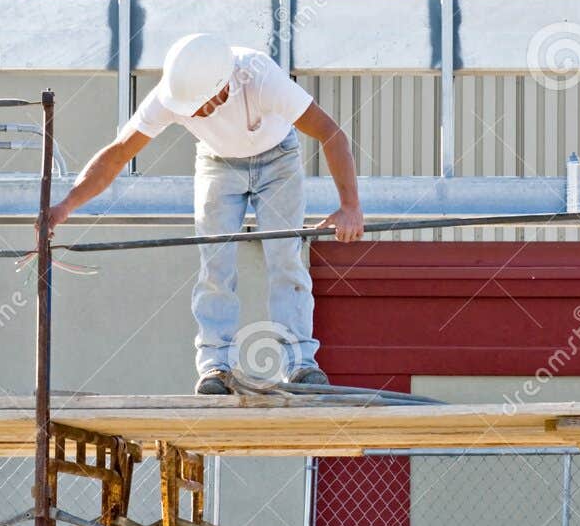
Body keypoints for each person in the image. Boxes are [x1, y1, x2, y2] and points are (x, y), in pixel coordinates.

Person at [48, 32, 363, 393]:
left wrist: (350, 206)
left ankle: (300, 363)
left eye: (199, 106)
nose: (192, 114)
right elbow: (118, 153)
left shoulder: (259, 75)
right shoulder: (172, 94)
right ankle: (216, 366)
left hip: (278, 160)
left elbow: (330, 132)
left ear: (223, 86)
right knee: (215, 262)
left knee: (285, 258)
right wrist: (65, 206)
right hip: (217, 163)